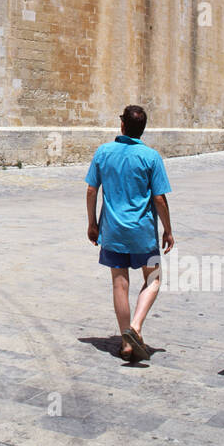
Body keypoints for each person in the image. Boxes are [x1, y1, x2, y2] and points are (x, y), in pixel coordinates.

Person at [86, 105, 174, 361]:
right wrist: (168, 230)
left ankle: (127, 342)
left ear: (122, 125)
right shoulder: (151, 157)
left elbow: (92, 190)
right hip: (143, 232)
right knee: (154, 278)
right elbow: (159, 198)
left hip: (112, 230)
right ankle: (135, 327)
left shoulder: (103, 152)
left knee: (119, 283)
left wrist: (92, 223)